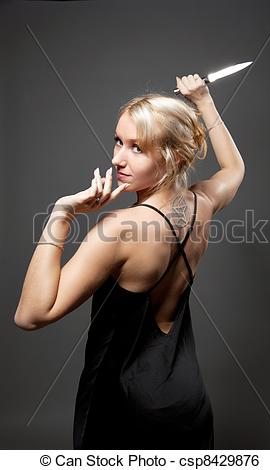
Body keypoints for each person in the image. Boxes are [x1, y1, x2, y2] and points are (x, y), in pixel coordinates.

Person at [14, 73, 245, 450]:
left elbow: (30, 315)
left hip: (124, 410)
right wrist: (204, 100)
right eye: (118, 141)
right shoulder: (202, 203)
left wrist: (62, 213)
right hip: (186, 400)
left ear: (173, 155)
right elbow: (234, 170)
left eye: (137, 148)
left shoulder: (119, 229)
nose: (117, 158)